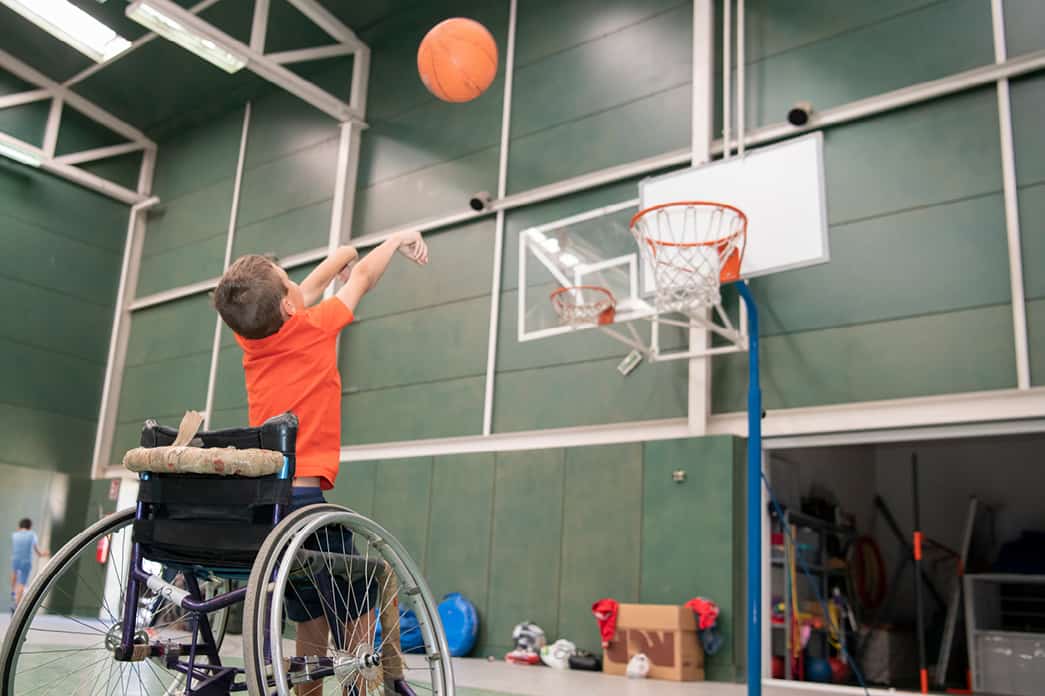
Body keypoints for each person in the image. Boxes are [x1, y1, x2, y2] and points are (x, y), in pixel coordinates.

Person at [213, 230, 428, 696]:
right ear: (290, 307)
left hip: (270, 512)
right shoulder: (316, 325)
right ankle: (363, 680)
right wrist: (394, 241)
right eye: (288, 282)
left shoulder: (252, 341)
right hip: (309, 507)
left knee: (309, 624)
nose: (298, 287)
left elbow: (304, 291)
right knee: (358, 608)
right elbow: (365, 279)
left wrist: (344, 254)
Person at [10, 518, 47, 611]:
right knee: (22, 583)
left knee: (14, 573)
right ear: (30, 526)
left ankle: (13, 592)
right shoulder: (32, 535)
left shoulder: (15, 535)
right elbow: (38, 553)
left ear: (19, 526)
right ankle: (16, 604)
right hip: (26, 561)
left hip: (15, 559)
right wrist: (45, 553)